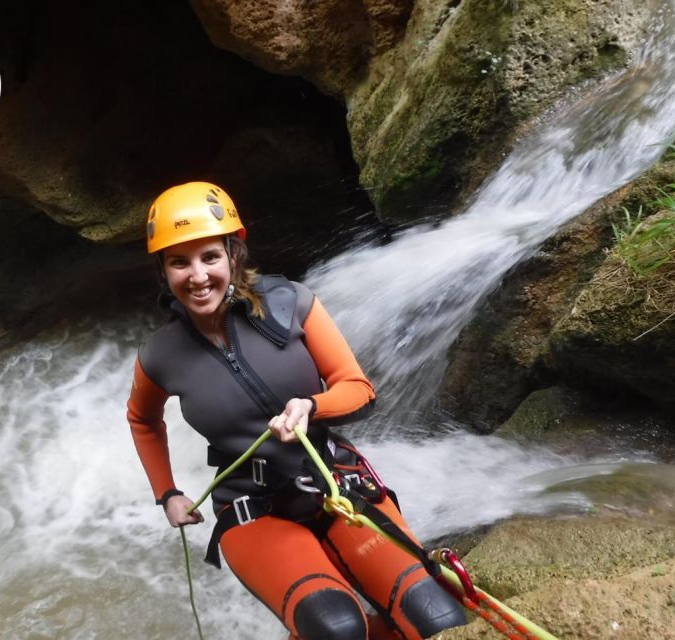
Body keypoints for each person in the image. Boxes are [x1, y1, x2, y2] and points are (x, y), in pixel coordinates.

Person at [127, 181, 465, 639]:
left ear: (233, 255)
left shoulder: (291, 305)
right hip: (253, 510)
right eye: (179, 262)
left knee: (436, 616)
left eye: (209, 257)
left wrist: (311, 406)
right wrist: (167, 494)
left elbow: (359, 390)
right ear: (163, 271)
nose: (198, 275)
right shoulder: (160, 356)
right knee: (336, 627)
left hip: (336, 483)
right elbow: (142, 419)